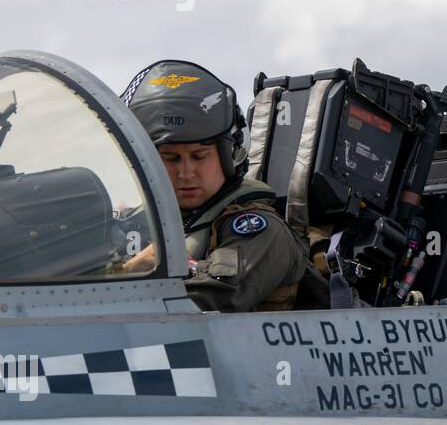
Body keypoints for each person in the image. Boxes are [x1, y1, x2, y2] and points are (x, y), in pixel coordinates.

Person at [121, 60, 315, 312]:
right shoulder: (137, 226)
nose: (186, 172)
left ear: (227, 156)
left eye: (200, 156)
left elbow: (205, 305)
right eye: (170, 158)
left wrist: (130, 274)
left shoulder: (260, 230)